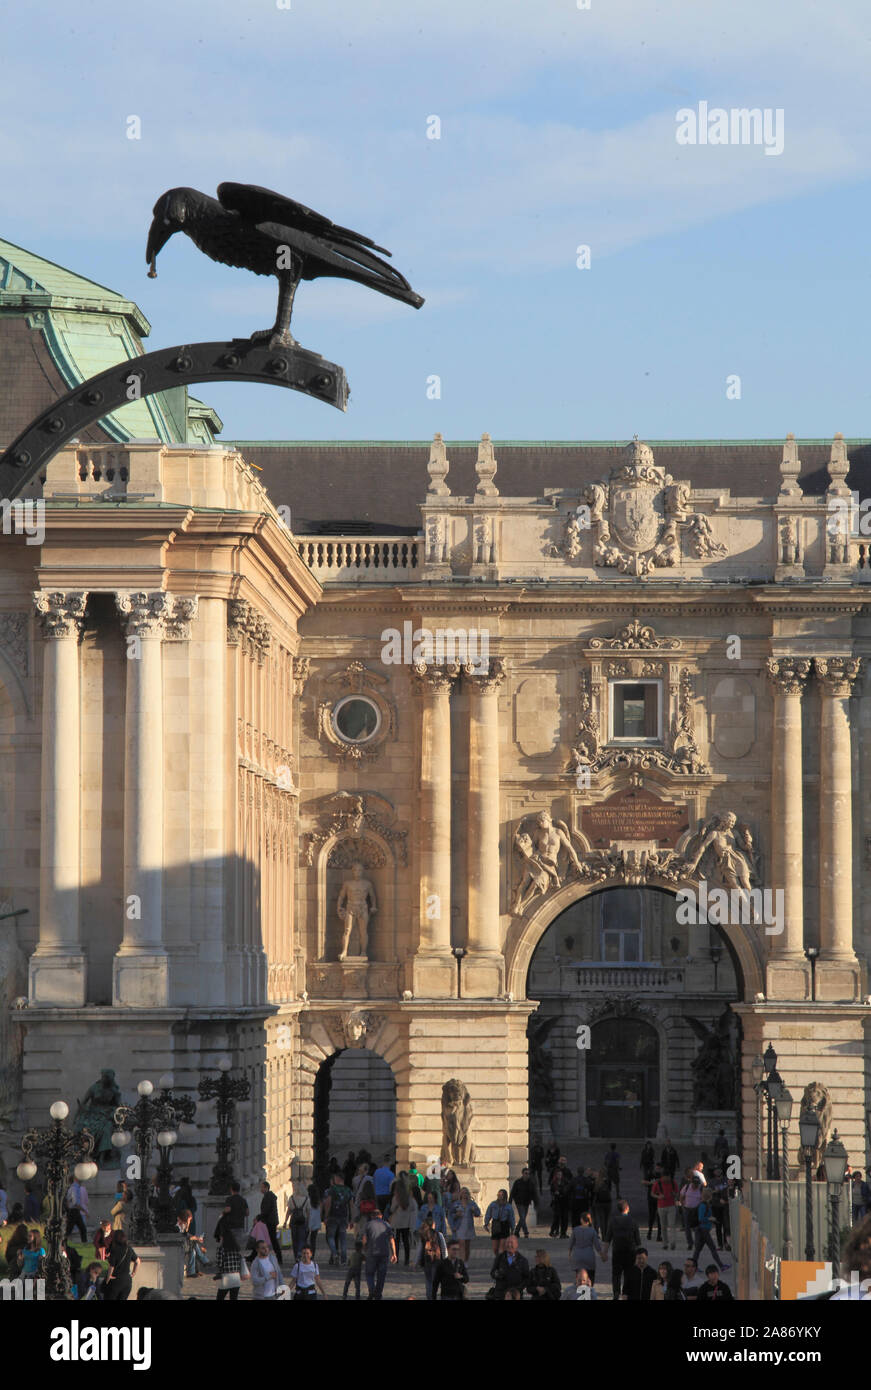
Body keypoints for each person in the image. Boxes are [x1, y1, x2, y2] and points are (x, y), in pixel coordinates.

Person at [603, 1199, 640, 1301]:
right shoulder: (633, 1221)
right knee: (628, 1273)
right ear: (627, 1208)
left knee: (616, 1274)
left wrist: (604, 1253)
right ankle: (626, 1292)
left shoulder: (613, 1221)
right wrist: (639, 1256)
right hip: (630, 1252)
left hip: (617, 1251)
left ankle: (616, 1292)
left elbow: (608, 1239)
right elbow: (637, 1241)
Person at [692, 1188, 729, 1273]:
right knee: (711, 1248)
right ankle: (721, 1266)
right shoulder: (703, 1205)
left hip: (703, 1230)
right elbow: (700, 1218)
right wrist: (710, 1218)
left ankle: (693, 1267)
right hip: (703, 1230)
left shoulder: (705, 1204)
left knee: (698, 1250)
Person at [362, 1210, 396, 1300]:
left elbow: (364, 1239)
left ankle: (372, 1291)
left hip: (371, 1253)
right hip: (384, 1253)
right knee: (381, 1275)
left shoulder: (368, 1225)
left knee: (369, 1274)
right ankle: (378, 1294)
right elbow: (392, 1240)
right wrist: (394, 1254)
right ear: (381, 1216)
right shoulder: (387, 1225)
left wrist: (365, 1249)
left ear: (372, 1216)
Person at [322, 1172, 352, 1267]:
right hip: (343, 1216)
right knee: (343, 1239)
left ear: (338, 1179)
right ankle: (343, 1259)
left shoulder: (332, 1190)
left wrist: (326, 1216)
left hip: (333, 1216)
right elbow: (351, 1205)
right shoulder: (348, 1190)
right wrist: (351, 1219)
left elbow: (328, 1203)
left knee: (330, 1237)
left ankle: (335, 1253)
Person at [103, 1230, 139, 1301]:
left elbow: (111, 1266)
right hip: (127, 1281)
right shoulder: (129, 1249)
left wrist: (108, 1277)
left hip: (115, 1280)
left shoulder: (114, 1249)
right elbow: (138, 1261)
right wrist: (133, 1273)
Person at [490, 1234, 529, 1300]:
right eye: (507, 1243)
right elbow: (492, 1273)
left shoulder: (522, 1260)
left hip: (515, 1295)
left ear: (516, 1245)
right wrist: (497, 1274)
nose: (509, 1245)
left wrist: (518, 1289)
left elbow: (527, 1278)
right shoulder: (500, 1258)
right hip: (500, 1293)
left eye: (512, 1243)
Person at [214, 1219, 245, 1302]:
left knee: (220, 1298)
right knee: (234, 1298)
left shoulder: (221, 1248)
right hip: (236, 1277)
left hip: (227, 1277)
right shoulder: (236, 1248)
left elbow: (219, 1263)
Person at [387, 1173, 414, 1266]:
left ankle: (396, 1257)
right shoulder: (408, 1198)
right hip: (406, 1222)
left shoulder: (396, 1198)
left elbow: (392, 1209)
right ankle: (407, 1259)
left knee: (396, 1241)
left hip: (397, 1222)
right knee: (406, 1241)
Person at [568, 1211, 602, 1285]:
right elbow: (597, 1246)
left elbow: (571, 1243)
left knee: (579, 1277)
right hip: (588, 1255)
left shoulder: (576, 1230)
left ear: (581, 1220)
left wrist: (569, 1254)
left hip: (577, 1255)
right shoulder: (592, 1231)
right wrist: (602, 1255)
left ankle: (579, 1292)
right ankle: (589, 1291)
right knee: (590, 1276)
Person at [447, 1187, 479, 1262]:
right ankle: (462, 1262)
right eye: (463, 1193)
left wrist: (474, 1211)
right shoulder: (456, 1204)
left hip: (469, 1227)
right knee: (461, 1245)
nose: (465, 1195)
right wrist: (456, 1215)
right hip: (459, 1226)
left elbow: (478, 1213)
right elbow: (450, 1214)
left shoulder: (472, 1203)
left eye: (466, 1193)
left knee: (467, 1246)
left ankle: (466, 1261)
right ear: (460, 1194)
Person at [651, 1167, 679, 1250]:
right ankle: (665, 1243)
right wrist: (658, 1196)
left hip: (671, 1206)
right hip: (661, 1206)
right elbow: (652, 1193)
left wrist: (674, 1194)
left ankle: (673, 1242)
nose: (667, 1179)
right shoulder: (657, 1183)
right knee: (663, 1226)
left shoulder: (673, 1183)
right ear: (662, 1177)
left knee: (672, 1224)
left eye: (668, 1177)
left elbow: (677, 1194)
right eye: (665, 1177)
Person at [177, 1208, 210, 1277]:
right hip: (181, 1246)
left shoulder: (184, 1225)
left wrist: (196, 1238)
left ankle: (193, 1271)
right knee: (195, 1246)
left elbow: (187, 1235)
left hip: (185, 1245)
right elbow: (183, 1237)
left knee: (194, 1249)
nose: (189, 1222)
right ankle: (204, 1261)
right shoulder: (179, 1225)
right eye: (189, 1220)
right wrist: (194, 1238)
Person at [484, 1189, 514, 1255]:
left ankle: (500, 1261)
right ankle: (499, 1259)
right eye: (499, 1194)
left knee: (502, 1248)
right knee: (495, 1248)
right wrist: (486, 1223)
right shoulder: (493, 1204)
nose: (500, 1196)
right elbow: (488, 1214)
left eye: (502, 1195)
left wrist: (512, 1228)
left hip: (504, 1225)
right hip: (495, 1225)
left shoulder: (508, 1206)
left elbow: (511, 1217)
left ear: (505, 1196)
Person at [510, 1167, 537, 1237]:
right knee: (522, 1217)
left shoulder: (531, 1183)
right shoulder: (518, 1182)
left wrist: (535, 1201)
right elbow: (513, 1192)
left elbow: (534, 1193)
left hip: (526, 1202)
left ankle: (516, 1231)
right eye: (526, 1173)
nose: (527, 1175)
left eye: (528, 1174)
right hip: (519, 1202)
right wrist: (510, 1201)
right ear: (522, 1174)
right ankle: (526, 1232)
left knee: (523, 1218)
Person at [258, 1180, 282, 1264]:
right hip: (270, 1220)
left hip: (270, 1221)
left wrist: (259, 1217)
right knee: (265, 1239)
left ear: (266, 1188)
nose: (260, 1189)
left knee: (271, 1239)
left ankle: (279, 1257)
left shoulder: (268, 1197)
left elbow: (266, 1210)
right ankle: (258, 1255)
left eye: (262, 1187)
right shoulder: (268, 1196)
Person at [679, 1171, 703, 1251]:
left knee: (697, 1228)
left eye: (697, 1184)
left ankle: (697, 1244)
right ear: (691, 1182)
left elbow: (703, 1199)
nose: (695, 1185)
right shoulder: (686, 1187)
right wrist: (682, 1205)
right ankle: (690, 1243)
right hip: (687, 1209)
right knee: (687, 1227)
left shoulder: (700, 1189)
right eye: (694, 1183)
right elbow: (681, 1196)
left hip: (696, 1210)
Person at [285, 1183, 310, 1259]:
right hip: (303, 1221)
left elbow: (288, 1211)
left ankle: (296, 1255)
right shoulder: (306, 1199)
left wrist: (285, 1221)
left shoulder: (292, 1198)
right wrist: (308, 1223)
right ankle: (300, 1252)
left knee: (294, 1239)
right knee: (302, 1239)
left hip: (293, 1221)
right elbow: (308, 1212)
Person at [419, 1227, 444, 1301]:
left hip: (427, 1261)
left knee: (428, 1280)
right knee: (435, 1280)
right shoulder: (439, 1235)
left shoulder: (424, 1235)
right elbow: (444, 1248)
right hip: (437, 1260)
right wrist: (445, 1260)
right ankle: (433, 1295)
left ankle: (430, 1296)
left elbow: (420, 1250)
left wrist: (418, 1261)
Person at [222, 1181, 248, 1250]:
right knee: (239, 1246)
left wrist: (223, 1213)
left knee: (230, 1247)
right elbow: (247, 1213)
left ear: (231, 1189)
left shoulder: (229, 1199)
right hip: (240, 1225)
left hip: (231, 1225)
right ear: (239, 1189)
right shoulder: (243, 1200)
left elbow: (228, 1209)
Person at [63, 1176, 89, 1244]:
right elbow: (75, 1202)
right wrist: (84, 1210)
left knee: (81, 1228)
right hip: (74, 1211)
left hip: (73, 1211)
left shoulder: (72, 1188)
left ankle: (84, 1242)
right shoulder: (75, 1188)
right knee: (71, 1229)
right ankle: (63, 1242)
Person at [549, 1165, 572, 1238]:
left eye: (560, 1174)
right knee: (556, 1217)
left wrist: (560, 1192)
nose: (559, 1176)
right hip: (557, 1202)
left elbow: (567, 1190)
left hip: (564, 1201)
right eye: (558, 1174)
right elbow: (552, 1191)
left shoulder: (565, 1181)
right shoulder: (554, 1182)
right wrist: (555, 1193)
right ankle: (553, 1231)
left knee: (564, 1218)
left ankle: (563, 1233)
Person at [642, 1165, 662, 1244]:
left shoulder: (662, 1175)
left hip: (660, 1198)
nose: (658, 1169)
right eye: (657, 1168)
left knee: (660, 1217)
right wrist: (651, 1182)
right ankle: (649, 1232)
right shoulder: (651, 1174)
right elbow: (643, 1181)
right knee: (652, 1216)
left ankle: (659, 1235)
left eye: (659, 1168)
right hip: (651, 1198)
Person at [593, 1168, 613, 1240]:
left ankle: (603, 1236)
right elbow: (610, 1190)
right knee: (607, 1220)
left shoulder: (597, 1181)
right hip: (607, 1202)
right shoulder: (608, 1181)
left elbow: (595, 1191)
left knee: (602, 1220)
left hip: (599, 1202)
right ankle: (606, 1236)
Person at [305, 1183, 321, 1257]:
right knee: (313, 1240)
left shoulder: (307, 1200)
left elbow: (307, 1212)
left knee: (305, 1238)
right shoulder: (318, 1201)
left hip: (309, 1220)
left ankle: (305, 1253)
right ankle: (312, 1255)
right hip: (316, 1222)